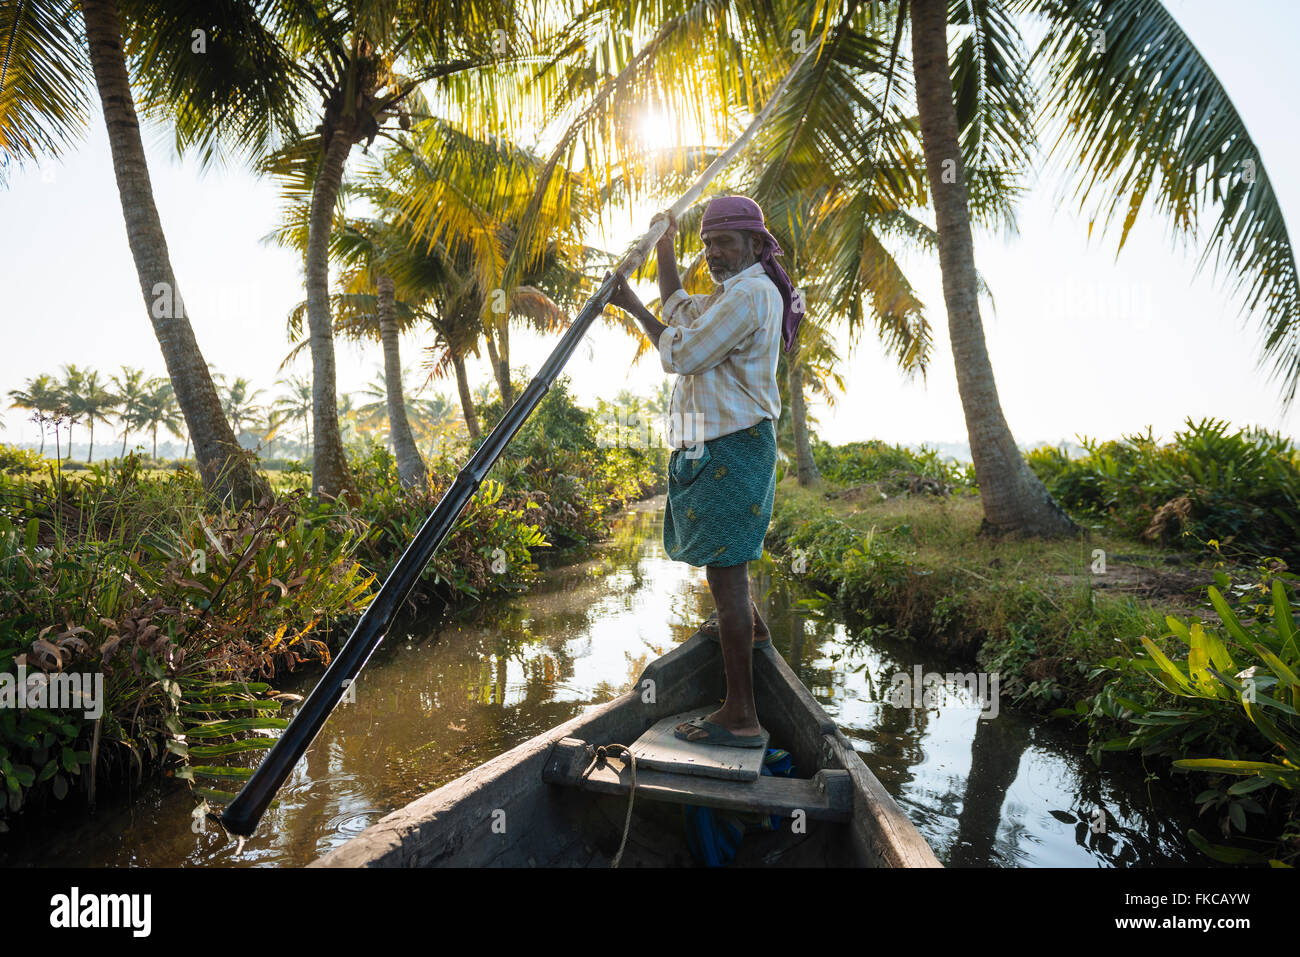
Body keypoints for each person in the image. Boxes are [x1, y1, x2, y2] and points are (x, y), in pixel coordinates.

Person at [606, 195, 803, 747]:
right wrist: (667, 243)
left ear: (755, 245)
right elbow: (677, 308)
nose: (714, 252)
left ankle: (740, 716)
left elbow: (684, 353)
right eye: (708, 243)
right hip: (721, 449)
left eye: (725, 242)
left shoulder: (751, 296)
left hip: (732, 449)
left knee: (727, 576)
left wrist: (627, 303)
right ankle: (753, 632)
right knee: (727, 570)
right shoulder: (732, 294)